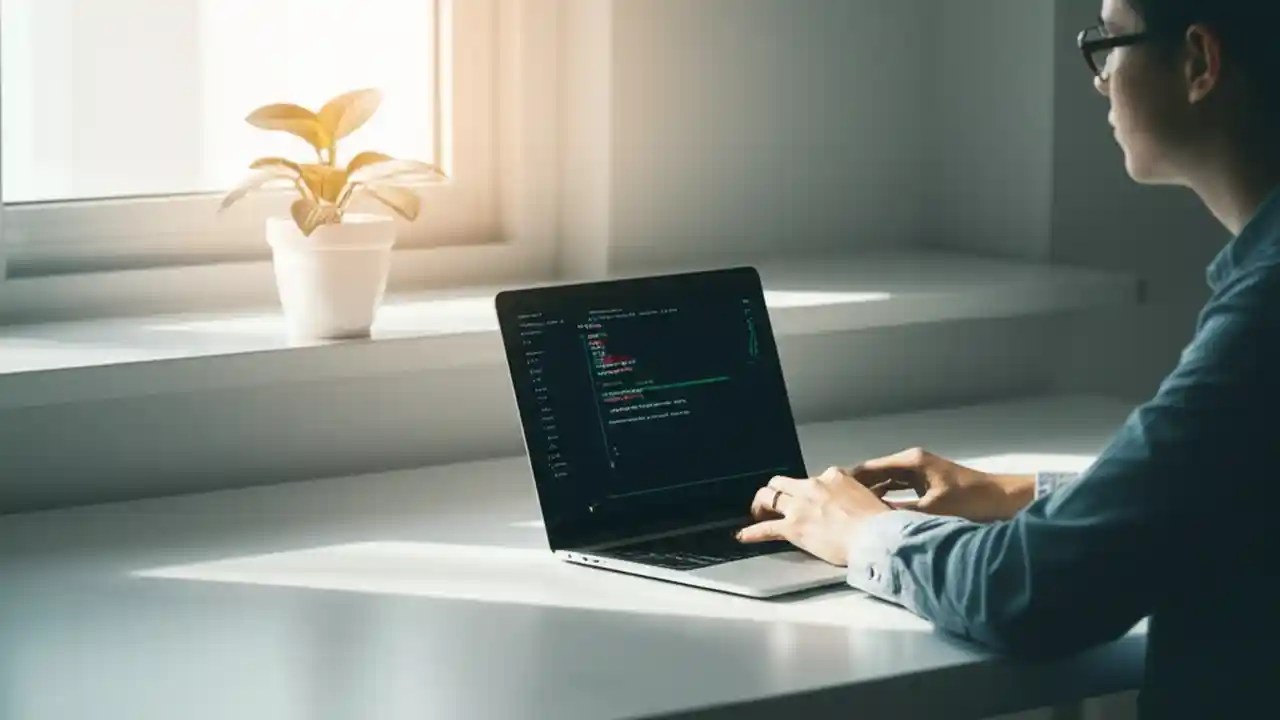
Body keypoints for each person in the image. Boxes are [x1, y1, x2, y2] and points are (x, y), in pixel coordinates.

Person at [737, 0, 1278, 717]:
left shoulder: (1264, 313)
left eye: (1110, 41)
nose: (1099, 78)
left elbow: (1034, 591)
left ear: (1199, 62)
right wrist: (1025, 492)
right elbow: (1233, 483)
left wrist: (861, 531)